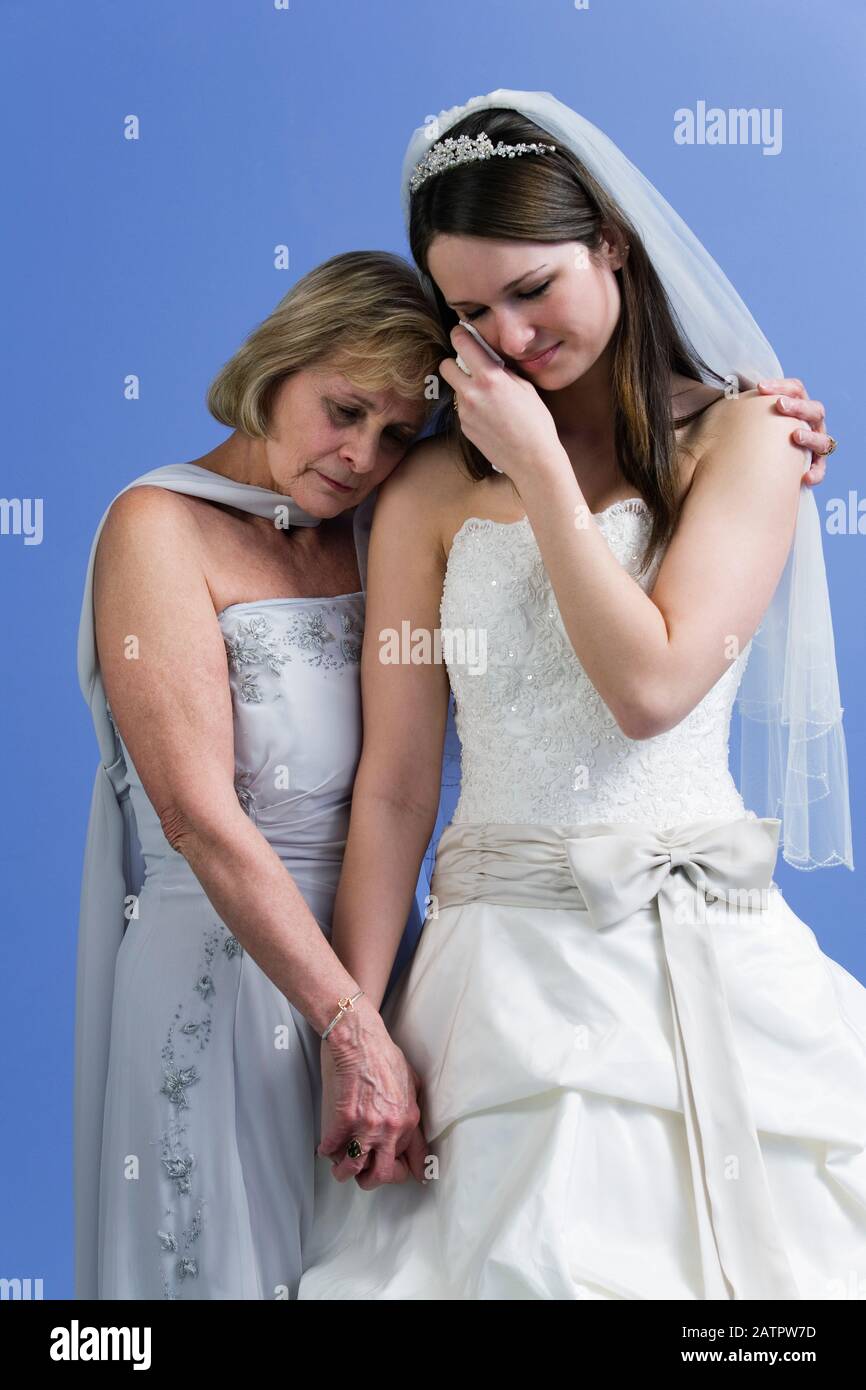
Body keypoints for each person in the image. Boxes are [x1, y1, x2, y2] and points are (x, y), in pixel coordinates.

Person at [296, 91, 863, 1301]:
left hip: (705, 952)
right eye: (468, 312)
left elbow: (650, 688)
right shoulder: (426, 494)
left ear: (610, 241)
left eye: (531, 287)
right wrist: (354, 1028)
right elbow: (394, 786)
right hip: (495, 979)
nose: (507, 334)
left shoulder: (746, 442)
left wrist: (545, 473)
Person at [74, 251, 448, 1299]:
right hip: (225, 983)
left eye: (393, 436)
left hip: (383, 966)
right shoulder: (156, 524)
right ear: (277, 365)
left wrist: (723, 417)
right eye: (342, 409)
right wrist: (347, 1027)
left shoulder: (380, 532)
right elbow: (196, 814)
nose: (360, 455)